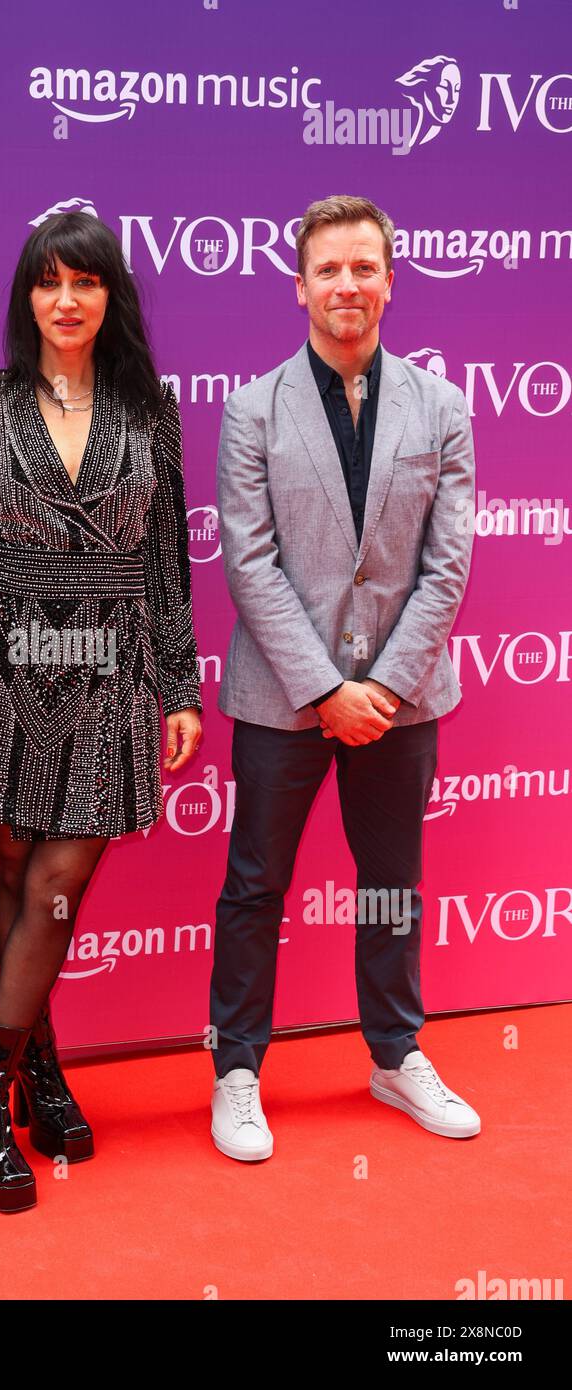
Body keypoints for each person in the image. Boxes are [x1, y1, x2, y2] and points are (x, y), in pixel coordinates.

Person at [0, 211, 203, 1213]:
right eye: (49, 283)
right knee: (10, 865)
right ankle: (40, 1072)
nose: (67, 301)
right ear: (27, 298)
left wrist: (180, 685)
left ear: (112, 297)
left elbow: (168, 563)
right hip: (3, 654)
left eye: (86, 283)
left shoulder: (151, 410)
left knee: (63, 871)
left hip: (117, 660)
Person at [209, 194, 479, 1163]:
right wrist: (327, 689)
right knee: (255, 885)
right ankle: (236, 1067)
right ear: (300, 286)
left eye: (365, 267)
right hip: (285, 696)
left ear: (391, 281)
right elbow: (250, 562)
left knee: (391, 888)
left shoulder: (442, 407)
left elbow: (447, 564)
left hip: (402, 702)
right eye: (330, 269)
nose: (348, 284)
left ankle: (396, 1052)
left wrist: (387, 686)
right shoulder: (252, 409)